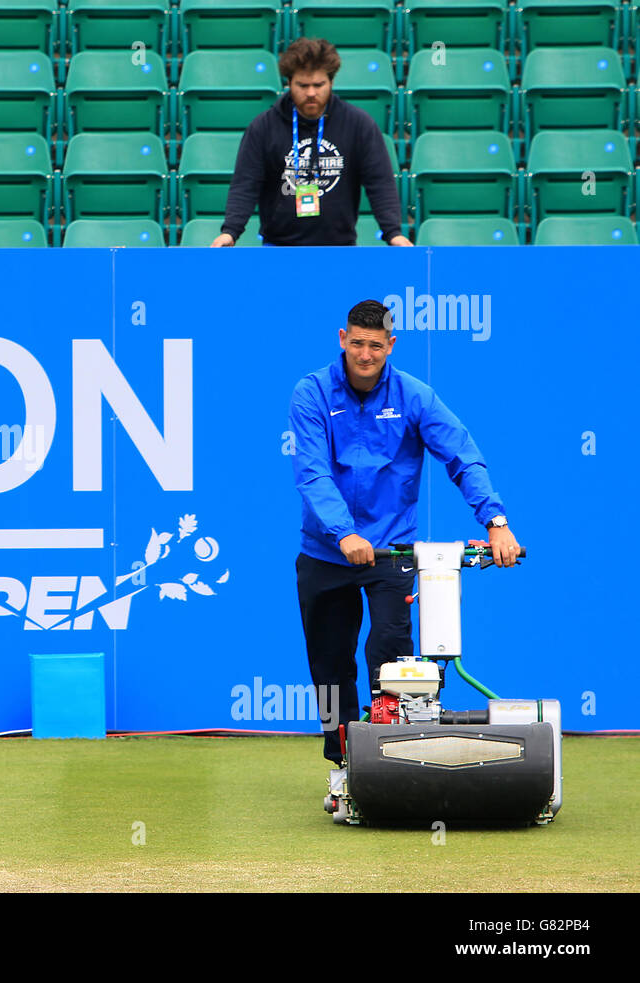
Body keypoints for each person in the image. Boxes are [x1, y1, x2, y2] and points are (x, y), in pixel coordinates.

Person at [288, 299, 520, 764]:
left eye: (375, 345)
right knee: (330, 668)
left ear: (390, 345)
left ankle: (393, 759)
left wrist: (496, 522)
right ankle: (343, 765)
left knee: (392, 658)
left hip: (392, 553)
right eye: (357, 343)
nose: (365, 354)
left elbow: (462, 455)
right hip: (327, 552)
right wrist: (343, 533)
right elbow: (312, 472)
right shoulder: (310, 392)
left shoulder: (416, 396)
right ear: (342, 339)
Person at [211, 38, 411, 247]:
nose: (311, 93)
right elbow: (246, 183)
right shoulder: (263, 127)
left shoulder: (359, 125)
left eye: (319, 85)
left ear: (331, 82)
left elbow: (379, 182)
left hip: (339, 249)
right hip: (279, 248)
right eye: (302, 85)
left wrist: (393, 232)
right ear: (289, 83)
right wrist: (231, 231)